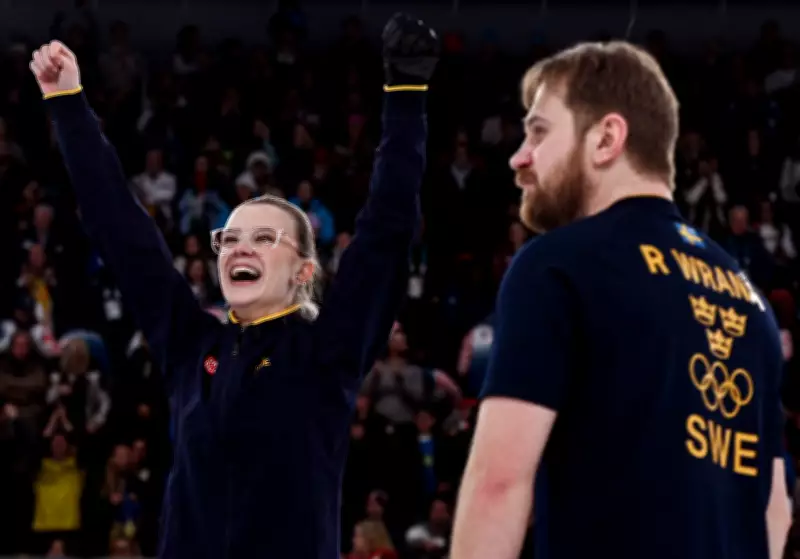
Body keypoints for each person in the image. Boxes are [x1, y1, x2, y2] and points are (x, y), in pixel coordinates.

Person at [29, 12, 439, 559]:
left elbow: (386, 231)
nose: (241, 247)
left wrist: (406, 95)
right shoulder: (190, 346)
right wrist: (68, 106)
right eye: (231, 237)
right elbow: (119, 226)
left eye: (265, 237)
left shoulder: (328, 350)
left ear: (303, 271)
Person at [449, 41, 791, 559]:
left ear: (606, 137)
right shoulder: (750, 301)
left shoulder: (557, 264)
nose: (520, 157)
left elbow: (499, 482)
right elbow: (774, 509)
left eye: (538, 132)